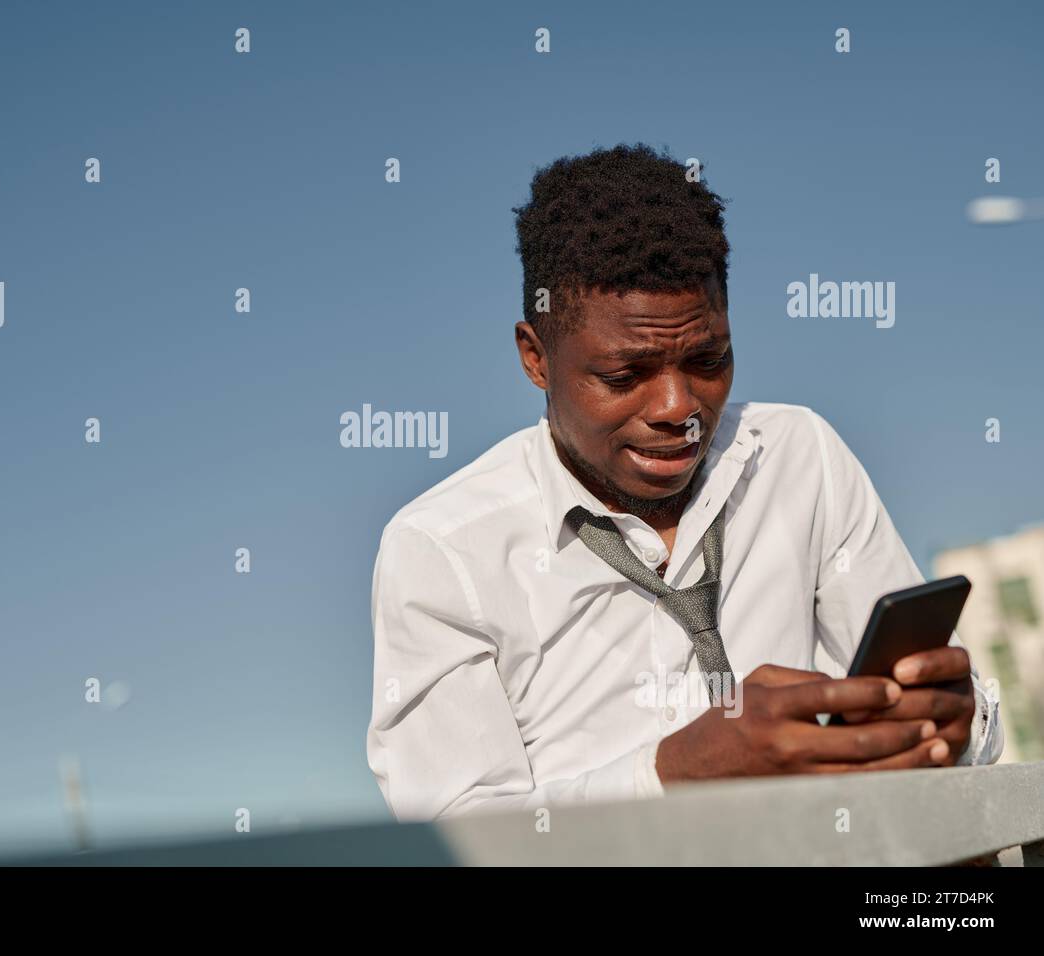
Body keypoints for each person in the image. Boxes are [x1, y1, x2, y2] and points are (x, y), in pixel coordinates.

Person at [365, 143, 1003, 822]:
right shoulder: (442, 550)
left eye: (708, 359)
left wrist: (955, 726)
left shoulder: (801, 456)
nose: (679, 409)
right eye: (624, 376)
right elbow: (454, 840)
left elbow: (949, 719)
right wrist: (672, 774)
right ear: (535, 357)